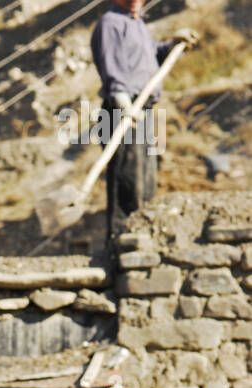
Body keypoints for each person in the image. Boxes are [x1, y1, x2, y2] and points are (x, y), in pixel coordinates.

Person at [91, 0, 198, 245]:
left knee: (147, 177)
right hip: (120, 109)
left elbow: (150, 57)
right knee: (126, 178)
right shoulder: (111, 23)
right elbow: (111, 67)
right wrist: (122, 103)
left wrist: (173, 44)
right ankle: (121, 242)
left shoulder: (137, 23)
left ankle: (144, 237)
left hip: (145, 109)